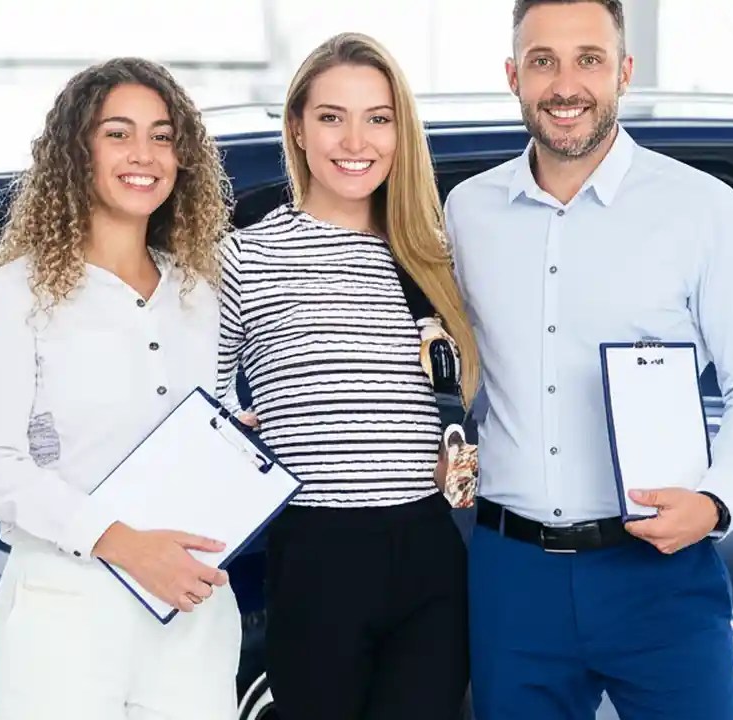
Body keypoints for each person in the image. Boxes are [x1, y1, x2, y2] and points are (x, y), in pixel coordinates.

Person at [442, 2, 733, 718]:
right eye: (542, 61)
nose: (565, 84)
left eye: (589, 59)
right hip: (513, 578)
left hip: (659, 572)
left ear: (624, 72)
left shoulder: (703, 209)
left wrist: (717, 501)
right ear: (513, 75)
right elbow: (450, 373)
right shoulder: (467, 212)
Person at [0, 57, 241, 720]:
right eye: (118, 134)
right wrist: (123, 542)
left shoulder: (202, 294)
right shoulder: (11, 299)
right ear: (76, 152)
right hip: (66, 610)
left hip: (191, 610)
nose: (144, 154)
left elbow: (203, 418)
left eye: (162, 136)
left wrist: (232, 437)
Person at [214, 32, 479, 720]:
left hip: (432, 550)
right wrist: (236, 440)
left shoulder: (434, 256)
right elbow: (198, 411)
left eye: (378, 118)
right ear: (298, 128)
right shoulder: (245, 258)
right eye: (332, 117)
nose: (355, 141)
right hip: (315, 552)